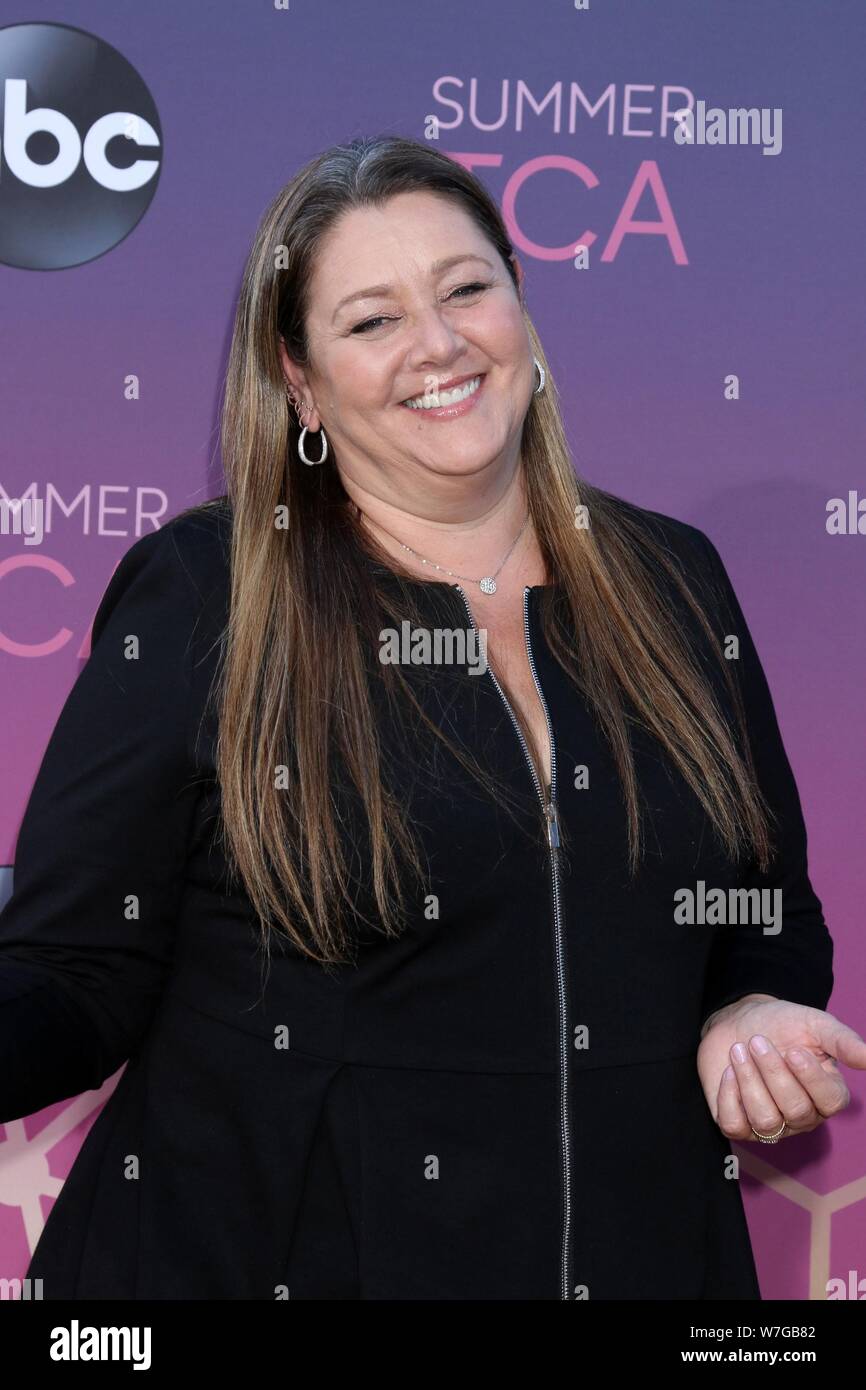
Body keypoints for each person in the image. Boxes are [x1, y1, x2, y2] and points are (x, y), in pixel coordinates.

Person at [1, 134, 862, 1301]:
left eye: (466, 289)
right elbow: (77, 967)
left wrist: (749, 1004)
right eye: (369, 320)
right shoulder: (212, 590)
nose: (439, 344)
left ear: (520, 306)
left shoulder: (671, 579)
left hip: (641, 1259)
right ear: (297, 378)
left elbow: (763, 901)